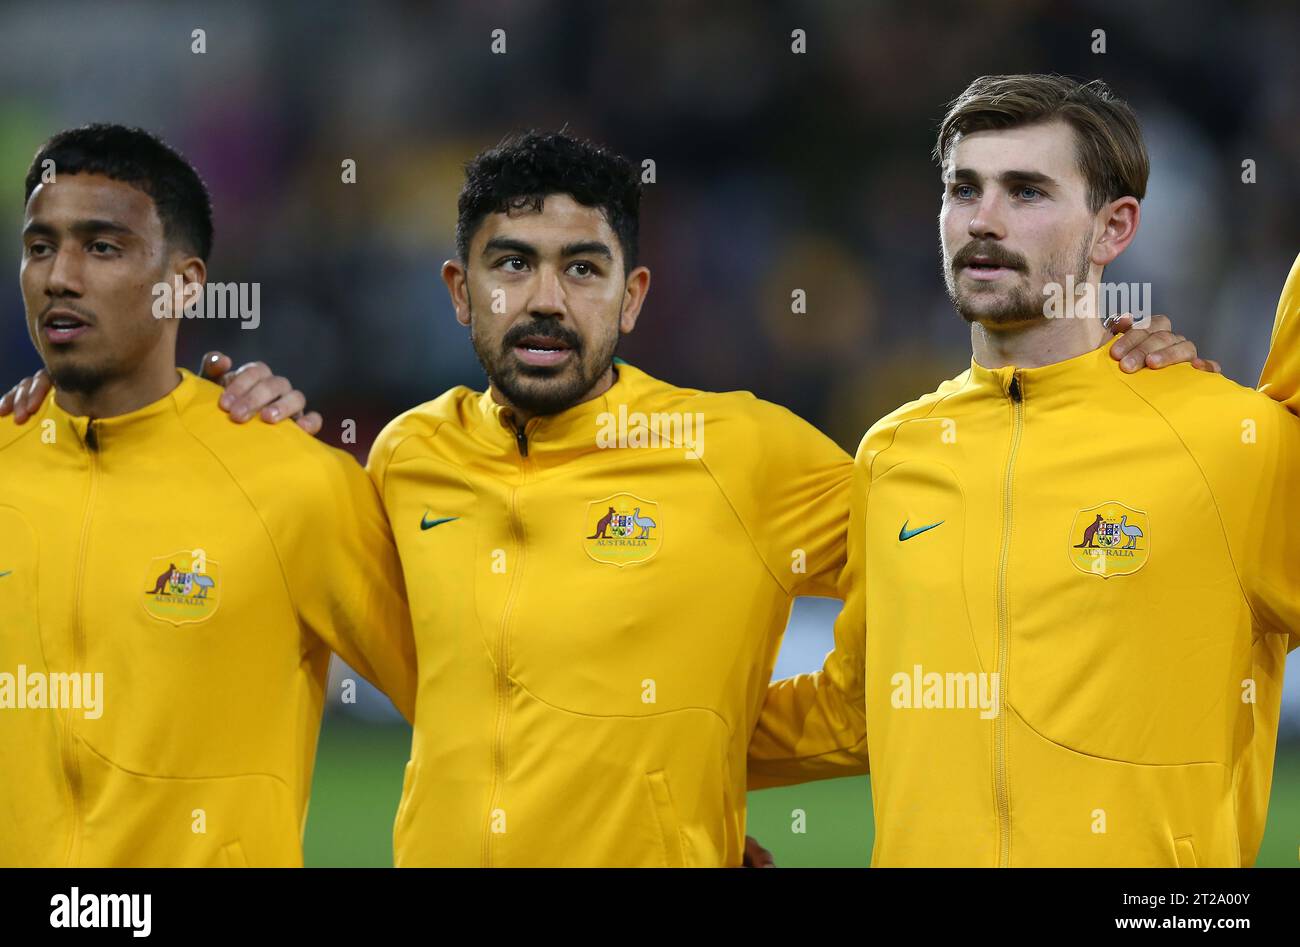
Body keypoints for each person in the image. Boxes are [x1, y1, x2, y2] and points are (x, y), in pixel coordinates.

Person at [0, 128, 1206, 867]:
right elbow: (394, 648)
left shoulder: (743, 452)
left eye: (581, 270)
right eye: (510, 266)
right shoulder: (407, 459)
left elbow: (968, 550)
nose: (544, 301)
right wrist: (167, 405)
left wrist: (1111, 390)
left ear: (631, 297)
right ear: (457, 291)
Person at [748, 74, 1300, 867]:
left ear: (1113, 229)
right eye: (963, 189)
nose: (983, 218)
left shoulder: (1231, 443)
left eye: (1027, 191)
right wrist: (650, 749)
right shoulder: (894, 453)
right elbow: (860, 708)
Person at [0, 124, 416, 866]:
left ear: (185, 284)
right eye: (40, 247)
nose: (61, 276)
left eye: (103, 247)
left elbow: (472, 708)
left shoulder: (293, 482)